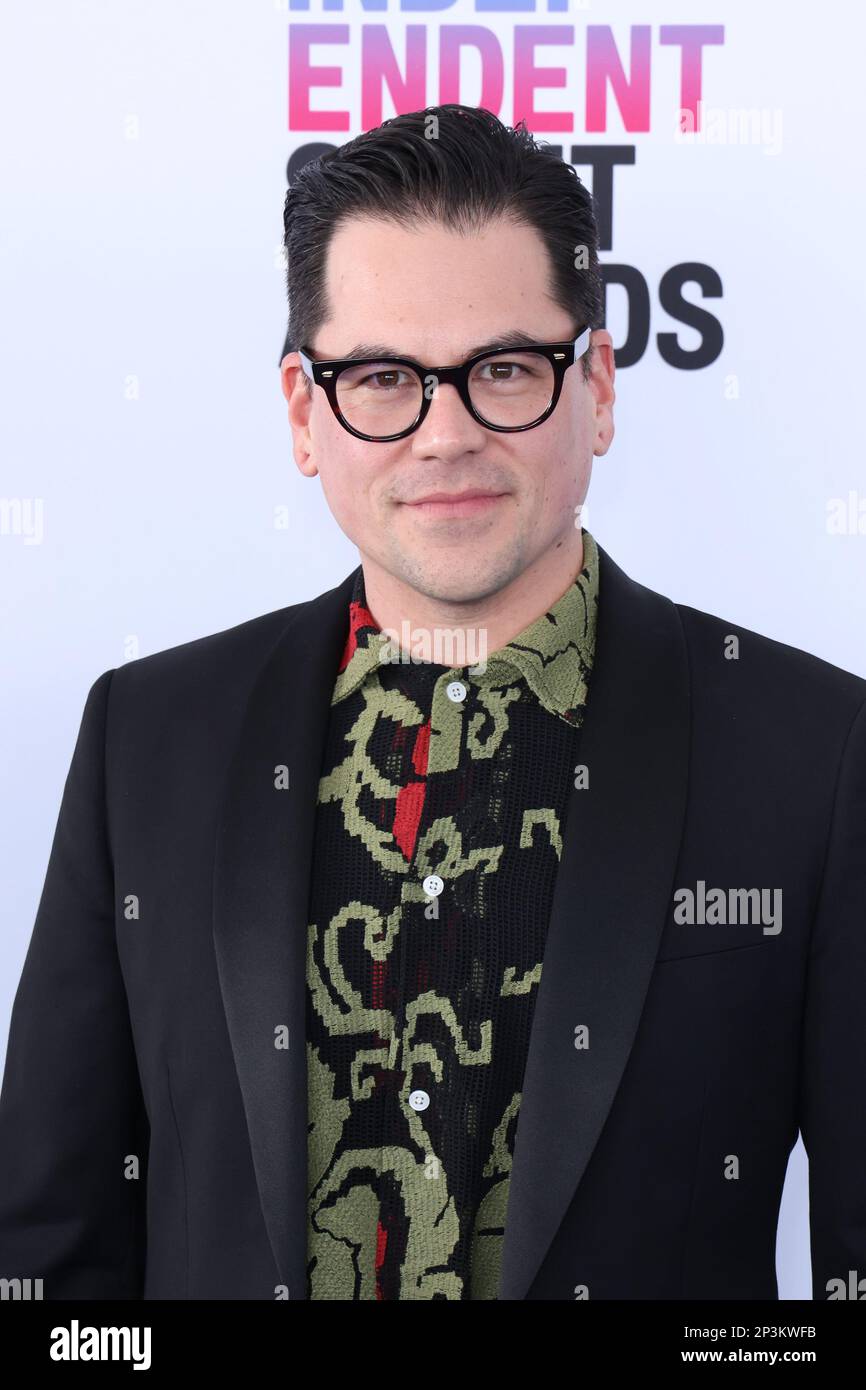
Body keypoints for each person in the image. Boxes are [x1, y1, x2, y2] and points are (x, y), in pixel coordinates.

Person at [0, 104, 864, 1302]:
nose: (444, 432)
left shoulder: (812, 752)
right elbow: (52, 1249)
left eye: (503, 369)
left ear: (597, 388)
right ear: (306, 413)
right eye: (384, 378)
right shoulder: (145, 740)